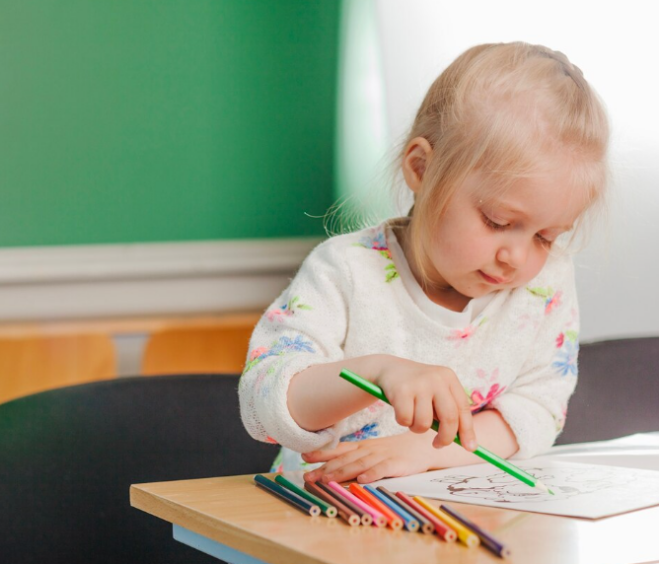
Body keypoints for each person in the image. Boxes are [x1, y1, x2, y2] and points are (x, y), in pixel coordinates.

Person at [238, 42, 609, 485]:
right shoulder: (346, 271)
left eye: (546, 237)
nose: (518, 257)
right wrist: (373, 372)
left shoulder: (544, 285)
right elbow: (264, 402)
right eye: (498, 221)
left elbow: (539, 408)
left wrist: (424, 451)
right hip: (323, 519)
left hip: (459, 524)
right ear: (421, 168)